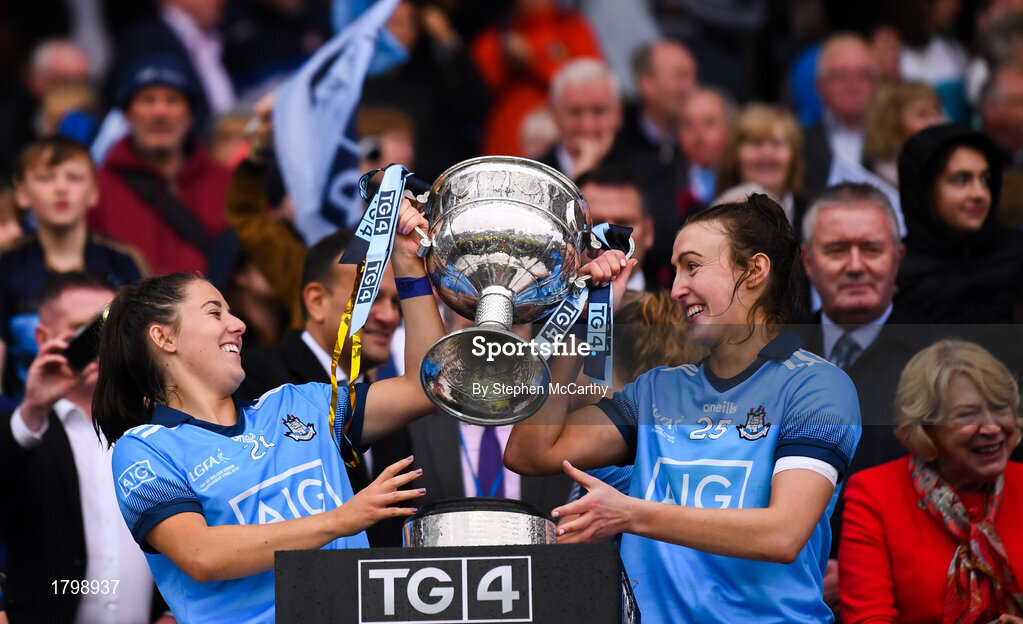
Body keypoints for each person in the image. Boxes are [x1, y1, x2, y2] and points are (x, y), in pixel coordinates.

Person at [506, 194, 861, 623]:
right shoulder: (658, 391)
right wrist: (576, 323)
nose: (675, 290)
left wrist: (630, 513)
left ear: (755, 271)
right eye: (675, 270)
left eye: (692, 266)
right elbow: (529, 452)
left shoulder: (816, 385)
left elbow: (783, 534)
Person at [93, 199, 444, 622]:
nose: (238, 324)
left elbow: (427, 387)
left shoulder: (302, 404)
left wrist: (409, 264)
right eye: (214, 312)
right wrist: (342, 518)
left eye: (232, 311)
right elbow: (202, 554)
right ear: (164, 338)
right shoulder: (145, 449)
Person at [0, 273, 169, 623]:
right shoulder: (24, 428)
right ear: (43, 338)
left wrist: (171, 611)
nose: (99, 345)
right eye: (83, 330)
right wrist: (34, 408)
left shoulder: (159, 427)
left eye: (108, 330)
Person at [236, 229, 413, 547]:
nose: (389, 316)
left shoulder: (391, 406)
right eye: (370, 297)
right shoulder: (251, 381)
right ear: (317, 301)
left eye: (396, 302)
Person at [839, 339, 1023, 624]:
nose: (991, 427)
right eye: (966, 415)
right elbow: (869, 618)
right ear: (925, 428)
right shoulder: (875, 493)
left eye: (1001, 408)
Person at [0, 136, 147, 402]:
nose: (61, 189)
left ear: (94, 192)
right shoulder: (5, 265)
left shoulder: (123, 261)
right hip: (25, 416)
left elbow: (142, 353)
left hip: (109, 415)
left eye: (74, 178)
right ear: (22, 193)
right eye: (46, 178)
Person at [91, 54, 231, 276]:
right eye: (147, 100)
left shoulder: (226, 182)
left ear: (191, 114)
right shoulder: (95, 189)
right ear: (127, 114)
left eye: (172, 100)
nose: (160, 112)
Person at [895, 124, 1023, 324]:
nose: (979, 194)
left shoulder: (1016, 256)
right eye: (962, 180)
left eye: (985, 180)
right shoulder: (894, 274)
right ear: (924, 190)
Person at [804, 34, 881, 197]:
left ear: (876, 84)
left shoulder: (895, 142)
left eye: (862, 75)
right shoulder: (799, 144)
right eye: (841, 76)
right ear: (820, 85)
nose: (852, 85)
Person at [714, 104, 808, 230]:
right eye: (756, 143)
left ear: (793, 155)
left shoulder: (813, 215)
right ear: (735, 154)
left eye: (776, 143)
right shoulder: (711, 214)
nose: (766, 153)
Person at [536, 58, 622, 180]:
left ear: (618, 114)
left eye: (598, 111)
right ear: (555, 115)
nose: (587, 126)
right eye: (575, 112)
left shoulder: (646, 175)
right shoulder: (533, 177)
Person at [576, 166, 653, 292]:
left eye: (623, 223)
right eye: (595, 224)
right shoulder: (543, 310)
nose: (608, 235)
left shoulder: (677, 308)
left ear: (649, 232)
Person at [863, 81, 944, 186]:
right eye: (922, 114)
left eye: (936, 111)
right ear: (893, 121)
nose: (935, 121)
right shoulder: (875, 177)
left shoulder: (945, 164)